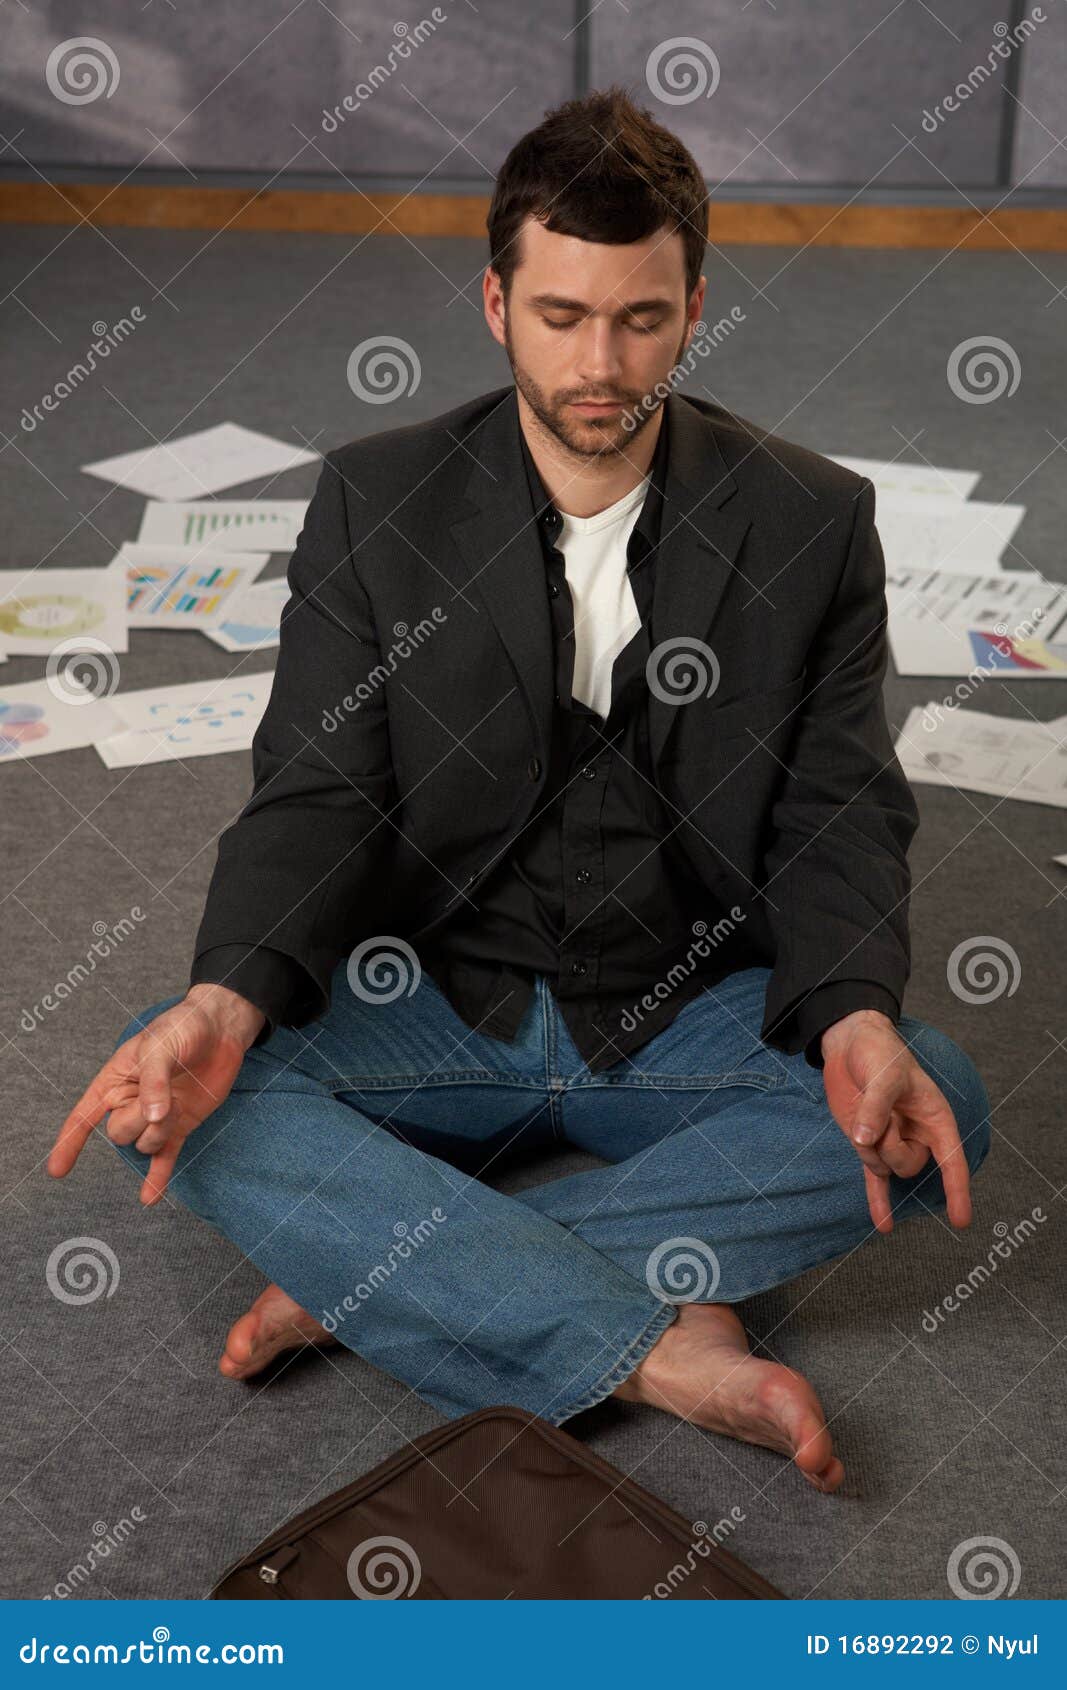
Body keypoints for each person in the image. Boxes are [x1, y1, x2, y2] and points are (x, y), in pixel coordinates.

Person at [49, 87, 991, 1495]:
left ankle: (387, 1275)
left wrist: (854, 1014)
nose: (600, 364)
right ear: (496, 304)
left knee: (937, 1100)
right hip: (435, 998)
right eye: (561, 316)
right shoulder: (376, 501)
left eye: (642, 319)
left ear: (695, 308)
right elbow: (316, 794)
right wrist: (224, 999)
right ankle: (660, 1342)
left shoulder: (813, 518)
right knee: (182, 1078)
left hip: (686, 1011)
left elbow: (838, 808)